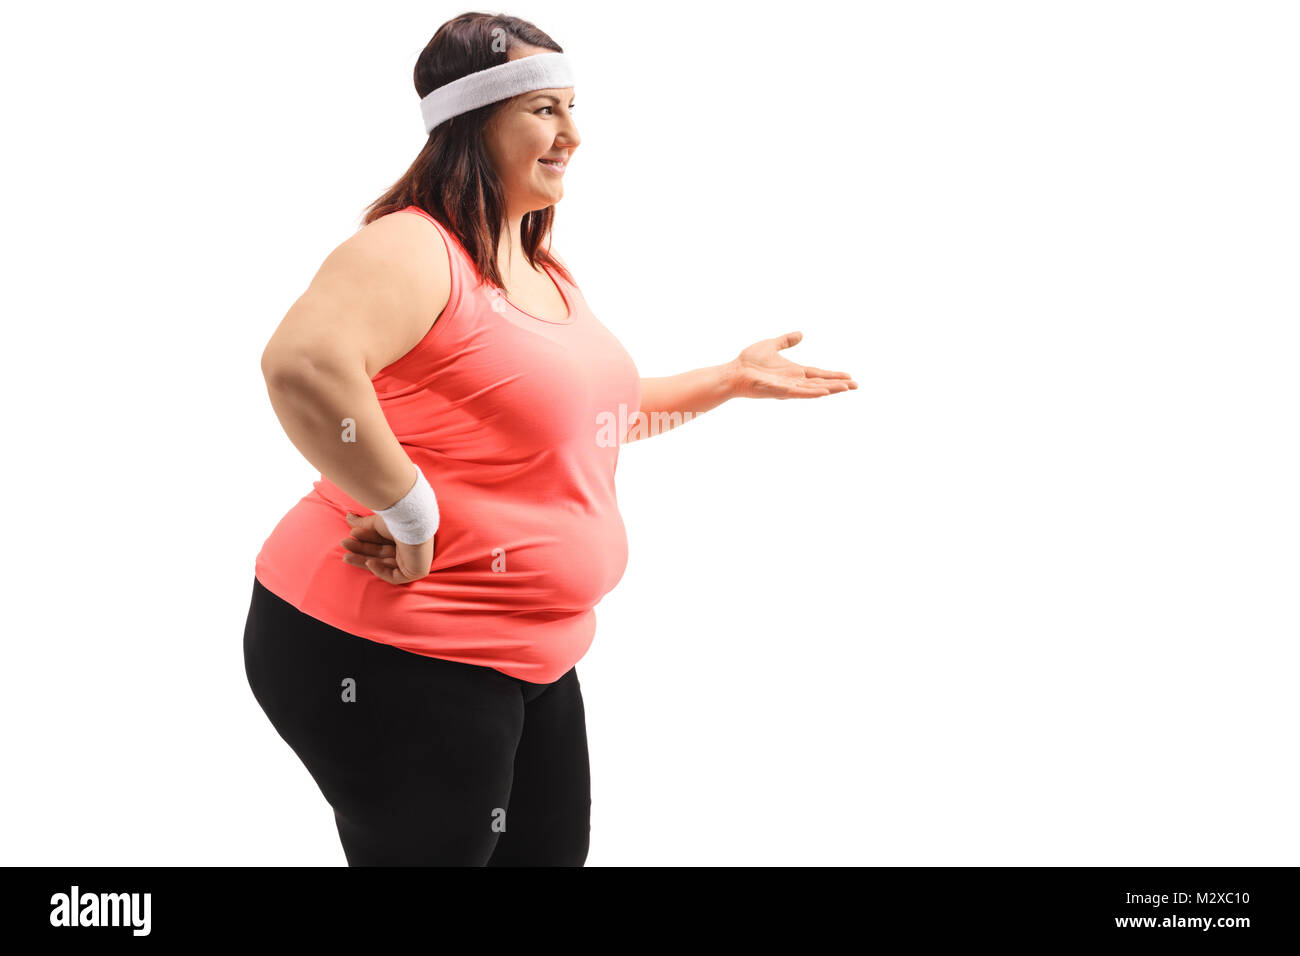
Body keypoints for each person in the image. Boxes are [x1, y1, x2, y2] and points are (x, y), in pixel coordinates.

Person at [243, 11, 857, 867]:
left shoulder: (534, 261)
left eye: (572, 107)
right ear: (472, 120)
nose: (573, 133)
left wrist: (728, 380)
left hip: (531, 654)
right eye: (543, 110)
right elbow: (304, 368)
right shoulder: (413, 247)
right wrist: (411, 512)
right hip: (391, 647)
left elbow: (582, 420)